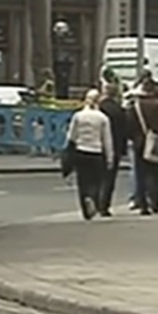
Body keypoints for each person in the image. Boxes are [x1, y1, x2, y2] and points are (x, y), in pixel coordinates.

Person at [64, 88, 114, 220]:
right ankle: (92, 198)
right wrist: (110, 158)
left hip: (81, 151)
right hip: (96, 152)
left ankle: (85, 209)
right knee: (96, 181)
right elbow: (107, 140)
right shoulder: (103, 118)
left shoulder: (78, 116)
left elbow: (71, 136)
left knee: (82, 182)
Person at [128, 80, 158, 215]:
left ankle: (143, 203)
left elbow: (129, 125)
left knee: (141, 174)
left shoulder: (135, 106)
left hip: (140, 144)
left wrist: (133, 138)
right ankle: (155, 201)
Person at [97, 83, 130, 216]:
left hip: (97, 146)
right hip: (115, 146)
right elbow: (124, 130)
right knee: (109, 178)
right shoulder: (119, 110)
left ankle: (95, 201)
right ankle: (104, 206)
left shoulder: (98, 109)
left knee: (96, 177)